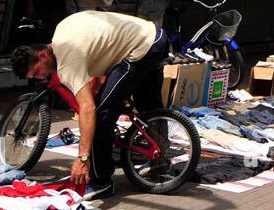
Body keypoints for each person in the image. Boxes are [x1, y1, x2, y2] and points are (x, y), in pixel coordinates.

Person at [11, 11, 171, 200]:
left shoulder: (67, 62)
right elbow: (99, 48)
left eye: (38, 72)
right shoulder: (62, 29)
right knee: (150, 107)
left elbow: (88, 109)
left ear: (44, 55)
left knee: (102, 114)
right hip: (155, 37)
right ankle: (161, 164)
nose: (41, 77)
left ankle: (101, 181)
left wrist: (83, 158)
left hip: (139, 50)